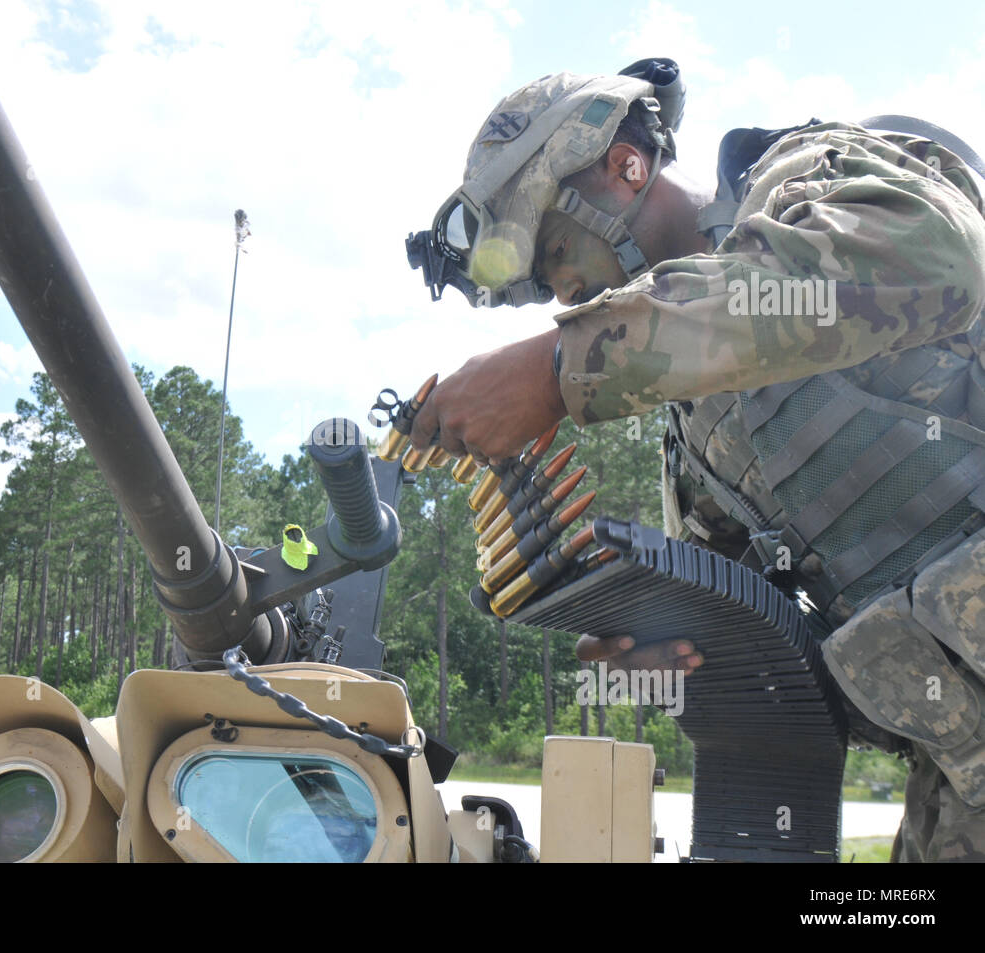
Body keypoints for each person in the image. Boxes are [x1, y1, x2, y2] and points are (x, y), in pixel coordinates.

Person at [405, 60, 985, 861]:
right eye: (542, 284)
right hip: (958, 777)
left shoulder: (801, 181)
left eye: (554, 247)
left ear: (624, 166)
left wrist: (557, 370)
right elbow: (797, 647)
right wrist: (680, 649)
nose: (562, 291)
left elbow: (939, 263)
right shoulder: (701, 441)